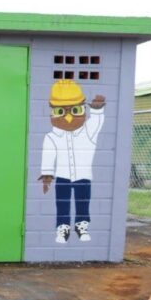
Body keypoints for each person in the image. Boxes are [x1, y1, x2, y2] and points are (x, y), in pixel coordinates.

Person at [38, 79, 106, 244]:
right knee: (62, 204)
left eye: (75, 110)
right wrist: (47, 175)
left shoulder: (88, 132)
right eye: (61, 111)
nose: (68, 117)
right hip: (62, 177)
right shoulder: (52, 137)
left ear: (83, 109)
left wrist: (97, 110)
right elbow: (48, 155)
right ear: (53, 112)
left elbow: (96, 123)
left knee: (83, 202)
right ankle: (63, 228)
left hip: (84, 177)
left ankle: (81, 227)